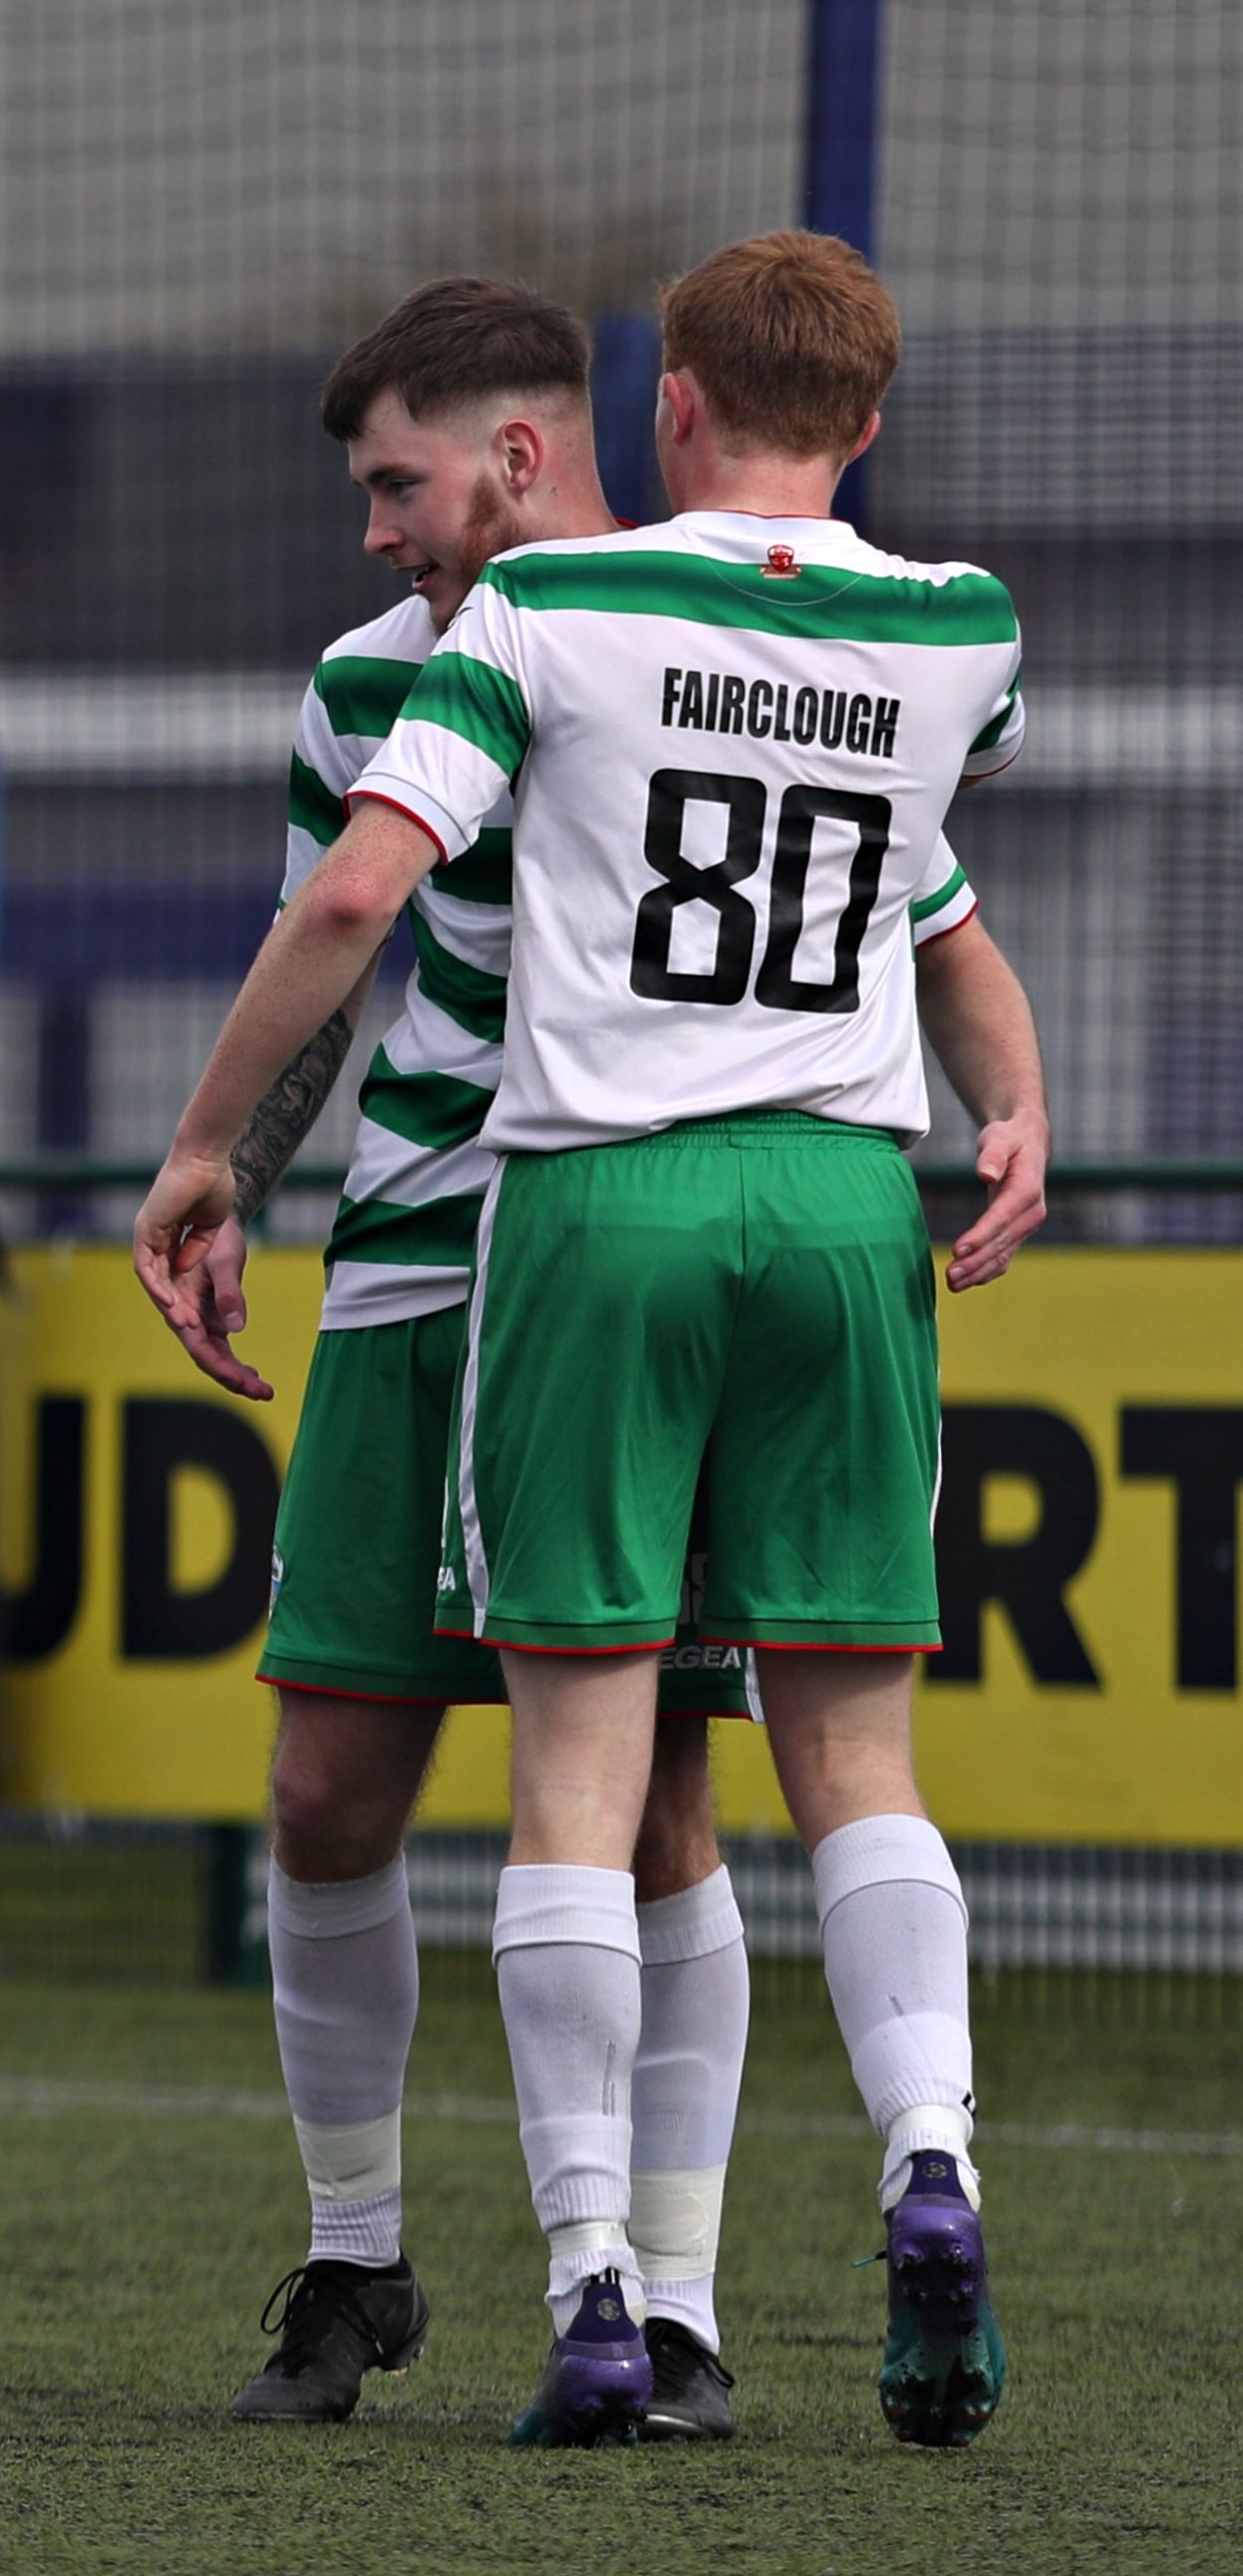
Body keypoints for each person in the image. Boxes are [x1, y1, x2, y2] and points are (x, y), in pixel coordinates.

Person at [137, 231, 1040, 2450]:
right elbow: (321, 947)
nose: (370, 529)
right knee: (324, 1785)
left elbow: (931, 912)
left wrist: (1001, 1077)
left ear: (530, 454)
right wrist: (235, 1175)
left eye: (392, 481)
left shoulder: (609, 627)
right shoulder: (378, 679)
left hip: (579, 1242)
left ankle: (665, 2293)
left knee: (645, 1807)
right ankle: (354, 2257)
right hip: (435, 1278)